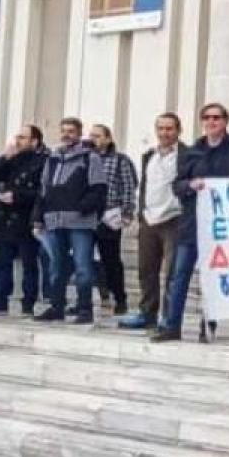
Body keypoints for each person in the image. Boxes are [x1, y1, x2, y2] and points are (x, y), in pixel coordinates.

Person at [152, 103, 229, 342]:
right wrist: (190, 185)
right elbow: (177, 185)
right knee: (179, 276)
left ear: (225, 121)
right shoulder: (192, 151)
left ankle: (207, 326)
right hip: (192, 224)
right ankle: (171, 326)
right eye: (206, 117)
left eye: (216, 117)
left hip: (222, 225)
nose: (211, 121)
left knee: (213, 278)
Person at [33, 118, 108, 324]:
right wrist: (38, 217)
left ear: (79, 134)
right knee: (56, 266)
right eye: (64, 131)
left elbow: (99, 188)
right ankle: (57, 306)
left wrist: (81, 207)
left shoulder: (90, 158)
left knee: (83, 265)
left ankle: (85, 309)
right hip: (54, 220)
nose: (67, 135)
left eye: (71, 131)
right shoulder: (52, 159)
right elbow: (43, 190)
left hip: (80, 222)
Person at [120, 113, 188, 330]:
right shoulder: (149, 155)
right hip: (149, 219)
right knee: (146, 269)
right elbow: (145, 186)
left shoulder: (187, 155)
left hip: (174, 218)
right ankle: (147, 312)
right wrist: (141, 213)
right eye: (161, 128)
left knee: (171, 272)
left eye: (169, 128)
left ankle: (169, 316)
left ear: (178, 130)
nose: (164, 133)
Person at [0, 125, 48, 315]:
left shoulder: (42, 161)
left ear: (34, 141)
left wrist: (17, 196)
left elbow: (42, 192)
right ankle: (0, 299)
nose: (18, 141)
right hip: (5, 219)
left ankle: (28, 302)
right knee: (2, 262)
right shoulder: (13, 159)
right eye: (17, 137)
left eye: (23, 138)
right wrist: (4, 158)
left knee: (29, 264)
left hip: (26, 219)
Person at [90, 124, 138, 316]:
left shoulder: (120, 160)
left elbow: (128, 186)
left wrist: (127, 212)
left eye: (98, 136)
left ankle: (120, 298)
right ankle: (101, 295)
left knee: (111, 259)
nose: (93, 139)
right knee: (87, 258)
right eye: (91, 135)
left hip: (110, 215)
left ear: (108, 138)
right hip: (88, 215)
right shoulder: (86, 158)